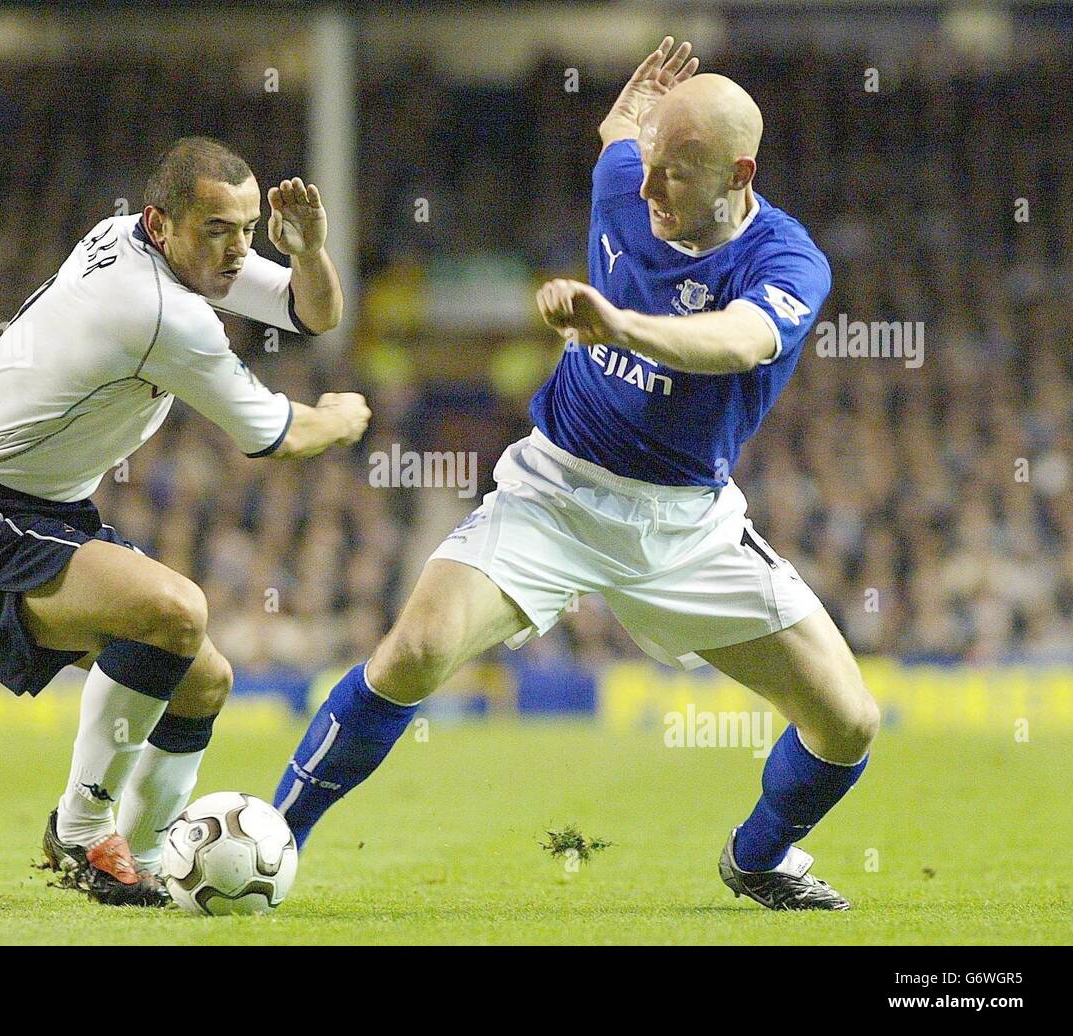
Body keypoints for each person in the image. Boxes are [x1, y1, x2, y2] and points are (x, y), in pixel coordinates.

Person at [270, 40, 879, 911]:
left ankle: (759, 857)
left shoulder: (787, 259)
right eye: (649, 163)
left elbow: (741, 342)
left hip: (685, 527)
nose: (649, 188)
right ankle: (272, 839)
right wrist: (625, 124)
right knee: (414, 651)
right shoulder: (623, 185)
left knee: (848, 724)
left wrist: (621, 326)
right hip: (554, 492)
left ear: (740, 172)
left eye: (678, 172)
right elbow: (617, 143)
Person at [0, 137, 370, 905]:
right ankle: (84, 831)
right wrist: (337, 415)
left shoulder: (136, 240)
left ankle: (150, 860)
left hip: (45, 510)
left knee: (204, 683)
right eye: (219, 229)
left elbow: (308, 312)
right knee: (174, 609)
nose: (237, 250)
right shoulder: (158, 312)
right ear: (161, 224)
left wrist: (312, 253)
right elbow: (282, 437)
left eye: (249, 229)